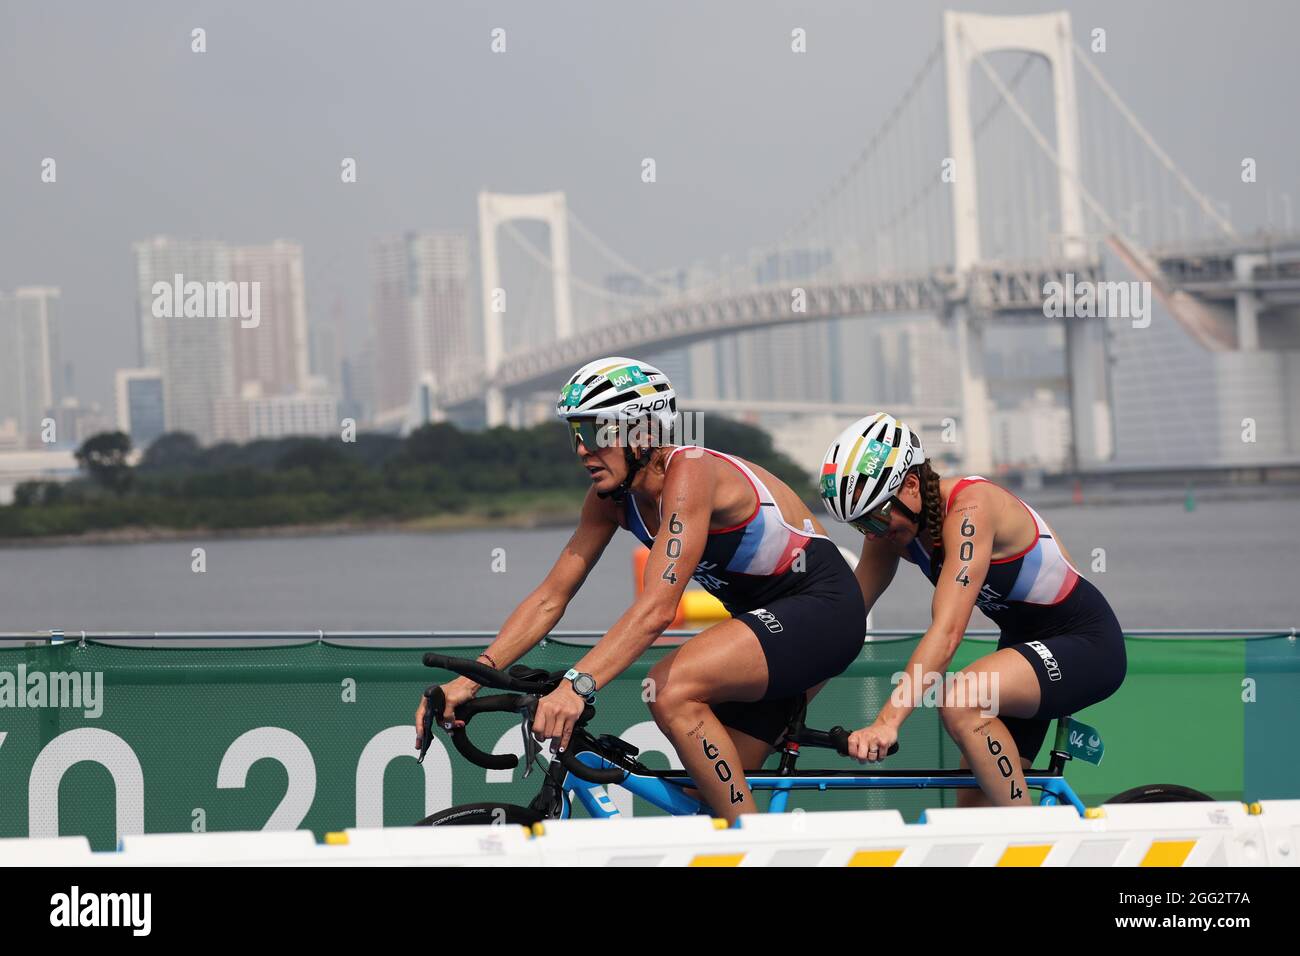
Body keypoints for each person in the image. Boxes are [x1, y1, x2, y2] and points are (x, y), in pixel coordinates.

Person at [415, 356, 865, 821]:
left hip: (823, 610)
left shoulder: (691, 473)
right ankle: (749, 839)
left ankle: (748, 849)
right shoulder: (612, 499)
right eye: (574, 434)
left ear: (641, 433)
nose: (581, 450)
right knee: (710, 807)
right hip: (768, 630)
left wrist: (577, 686)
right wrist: (467, 683)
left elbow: (656, 609)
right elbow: (551, 597)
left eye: (592, 433)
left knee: (668, 689)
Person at [819, 412, 1126, 807]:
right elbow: (844, 619)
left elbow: (947, 631)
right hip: (1024, 649)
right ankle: (1029, 840)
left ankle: (1034, 839)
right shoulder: (893, 528)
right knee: (975, 811)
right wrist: (787, 690)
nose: (875, 533)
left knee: (962, 698)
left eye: (876, 518)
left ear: (911, 485)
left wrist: (886, 722)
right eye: (861, 526)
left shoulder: (971, 509)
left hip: (1084, 641)